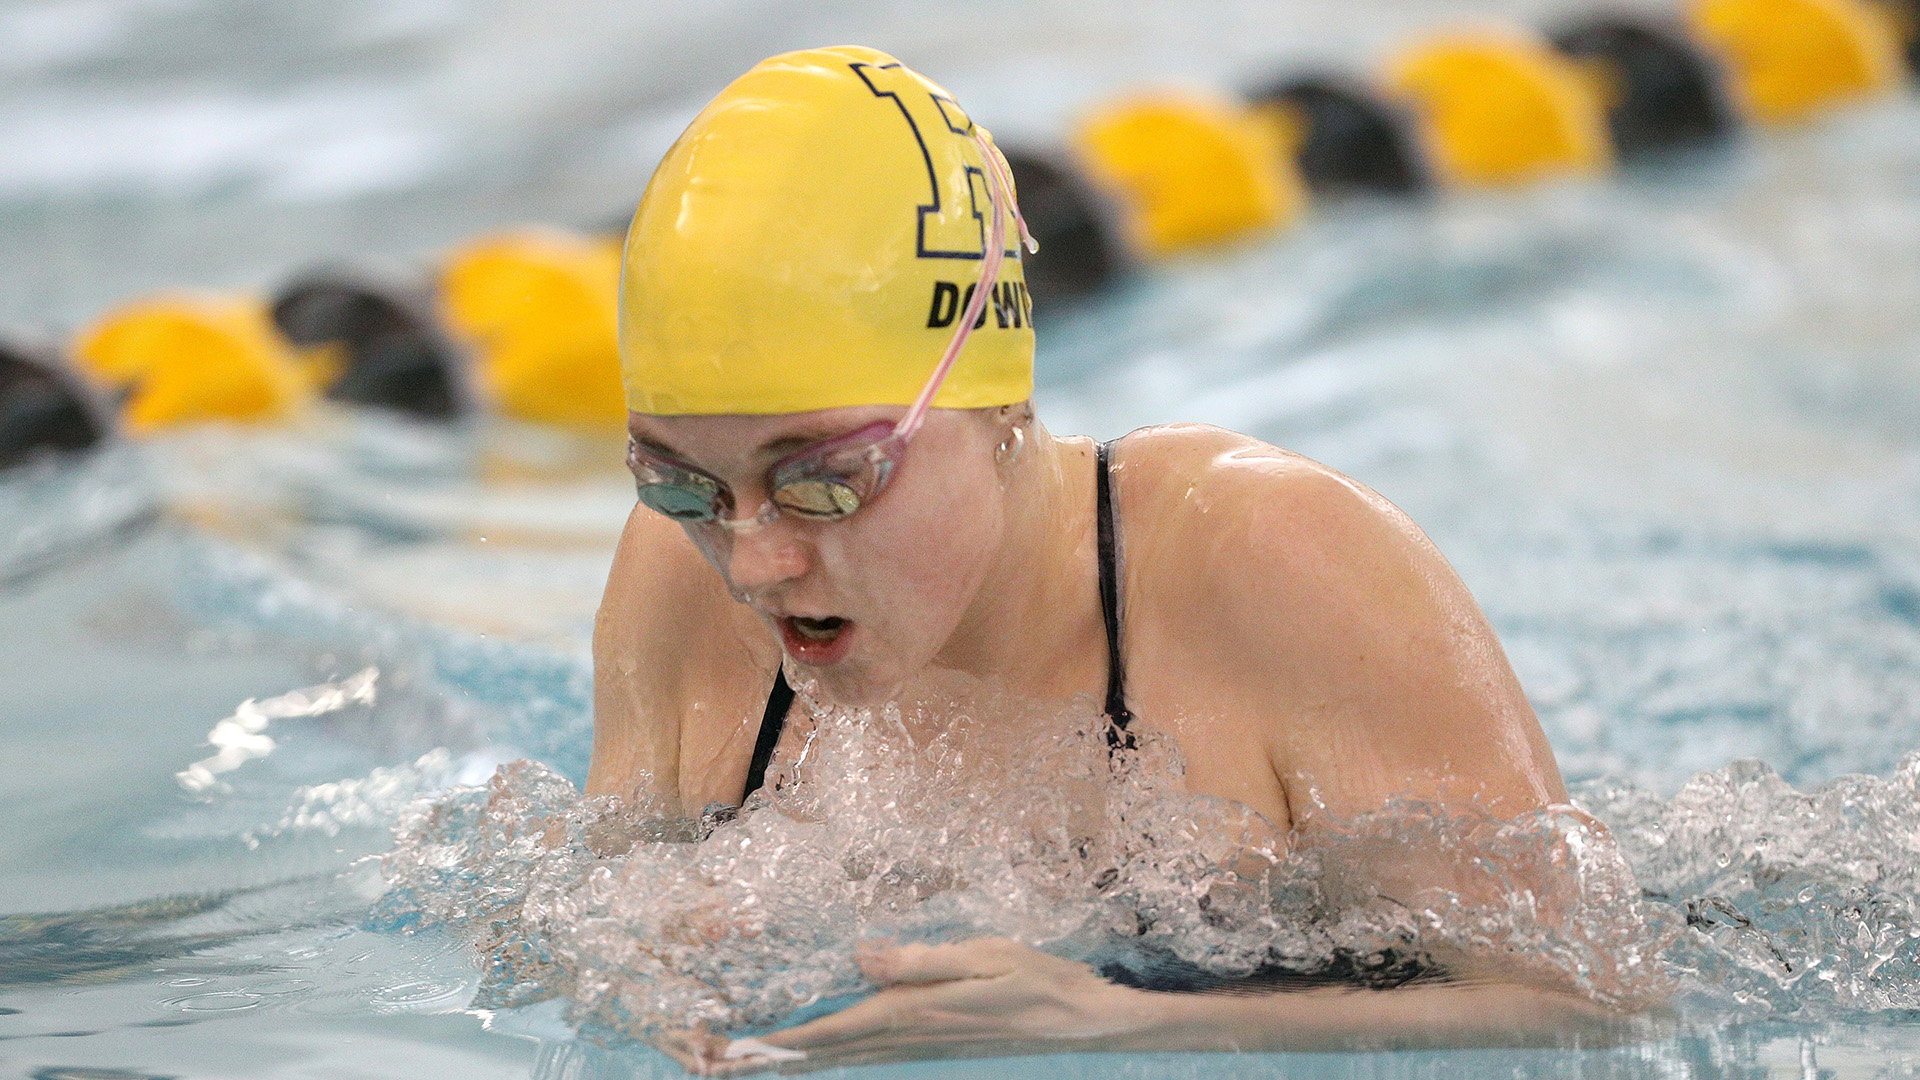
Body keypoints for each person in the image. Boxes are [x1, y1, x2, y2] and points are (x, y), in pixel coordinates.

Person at [590, 45, 1635, 1075]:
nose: (753, 562)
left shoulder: (1280, 563)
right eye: (683, 485)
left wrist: (1126, 1023)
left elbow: (1592, 998)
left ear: (998, 396)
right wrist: (632, 974)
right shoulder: (674, 583)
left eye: (826, 480)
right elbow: (570, 944)